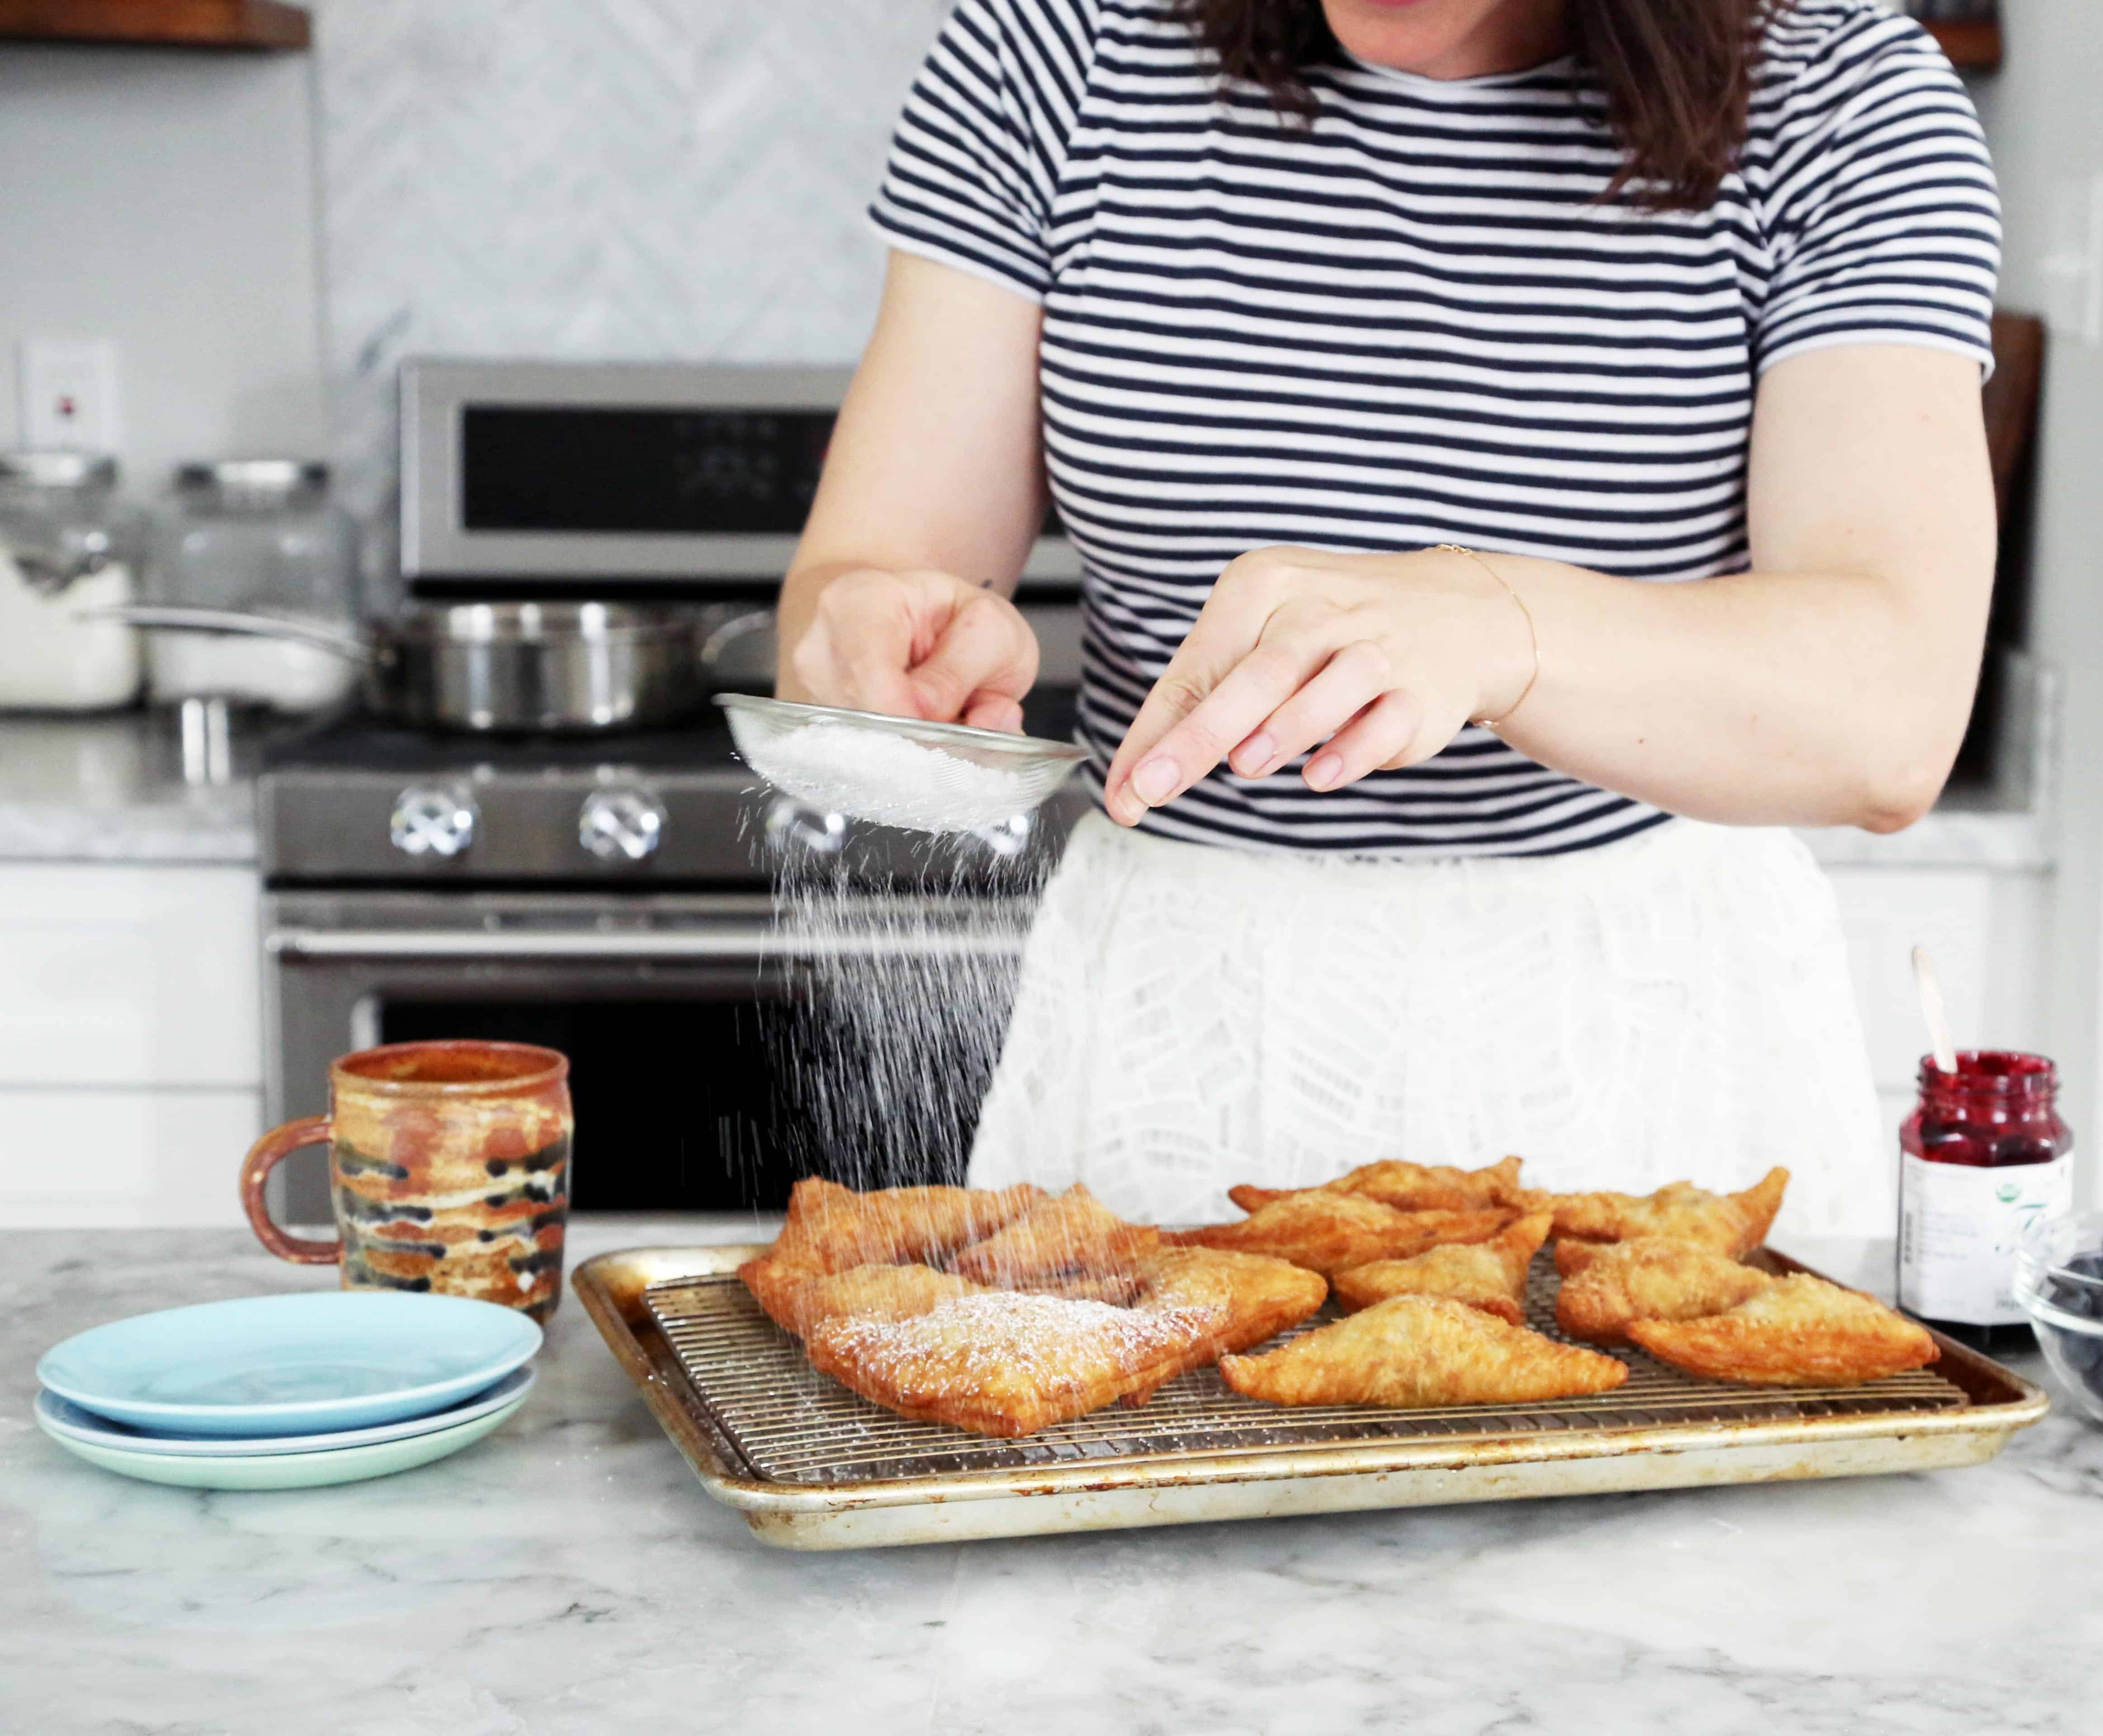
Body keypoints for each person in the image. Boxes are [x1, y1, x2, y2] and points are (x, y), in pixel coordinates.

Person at [775, 0, 2000, 1230]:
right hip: (1172, 1030)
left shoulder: (1839, 92)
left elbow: (1891, 716)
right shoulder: (1056, 51)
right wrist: (886, 636)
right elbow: (877, 567)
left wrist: (1501, 628)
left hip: (1643, 1045)